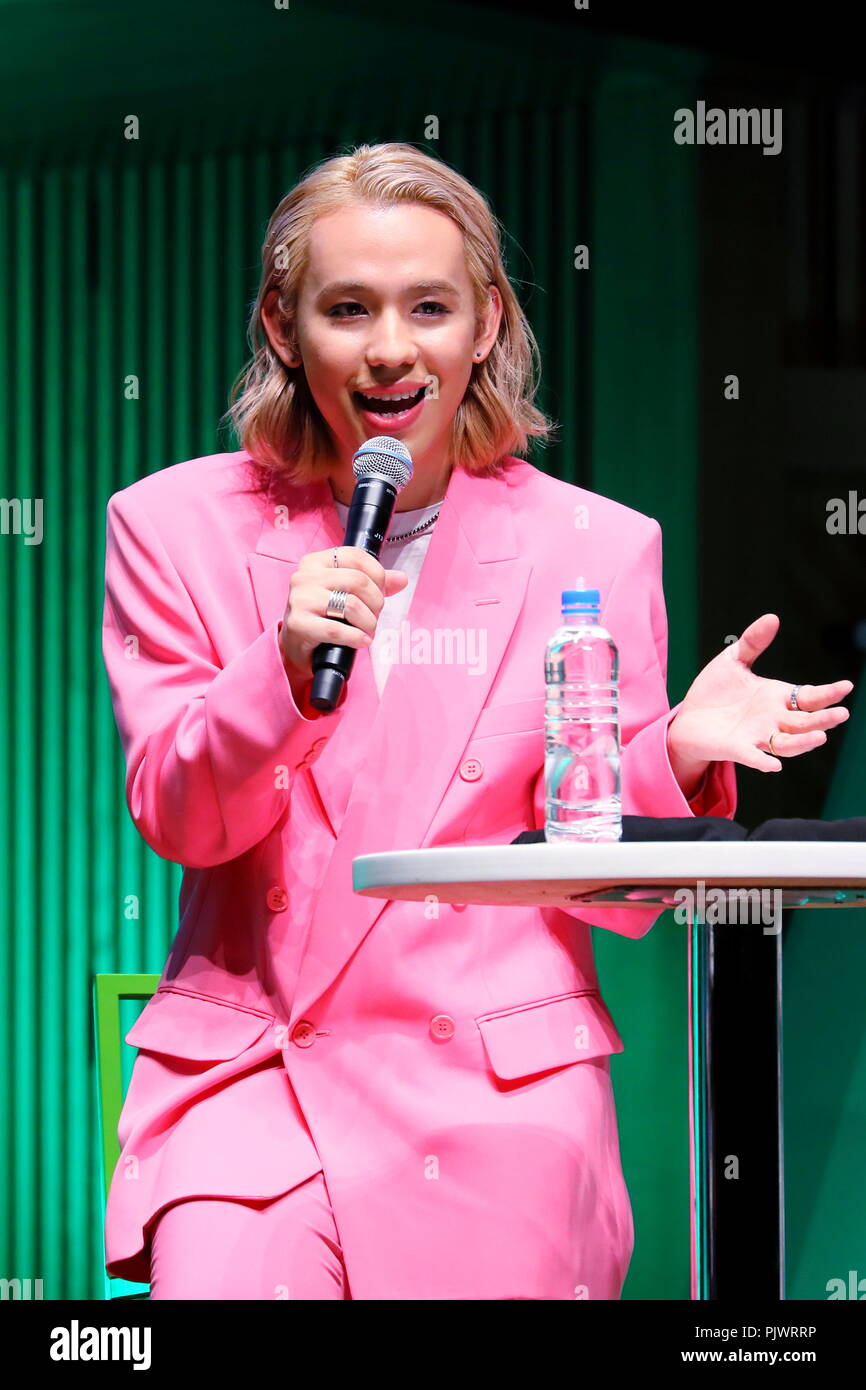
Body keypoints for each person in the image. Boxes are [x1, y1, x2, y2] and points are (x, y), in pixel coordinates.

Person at [101, 141, 853, 1300]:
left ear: (487, 321)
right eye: (346, 307)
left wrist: (666, 754)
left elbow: (607, 888)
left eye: (429, 306)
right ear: (281, 324)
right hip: (255, 1088)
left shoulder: (597, 544)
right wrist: (280, 675)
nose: (391, 347)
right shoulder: (169, 524)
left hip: (496, 1101)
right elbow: (183, 820)